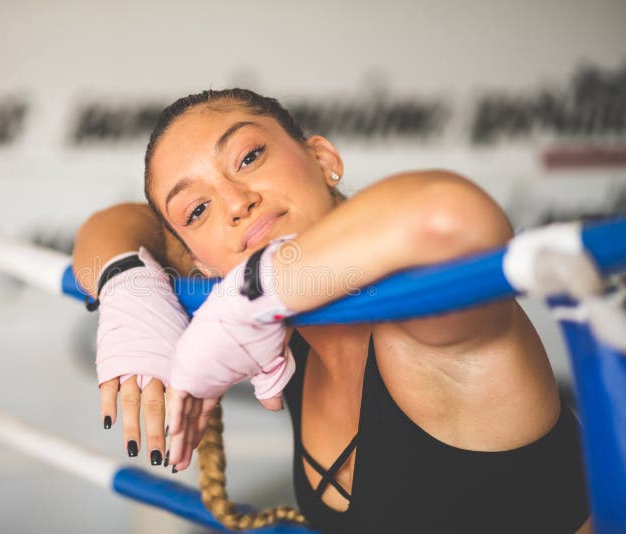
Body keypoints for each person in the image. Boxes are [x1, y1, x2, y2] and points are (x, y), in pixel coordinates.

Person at [73, 89, 591, 533]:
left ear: (323, 159)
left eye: (249, 157)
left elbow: (448, 217)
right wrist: (129, 283)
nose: (235, 201)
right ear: (197, 260)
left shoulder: (419, 321)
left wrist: (258, 287)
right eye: (198, 209)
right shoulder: (287, 338)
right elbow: (114, 222)